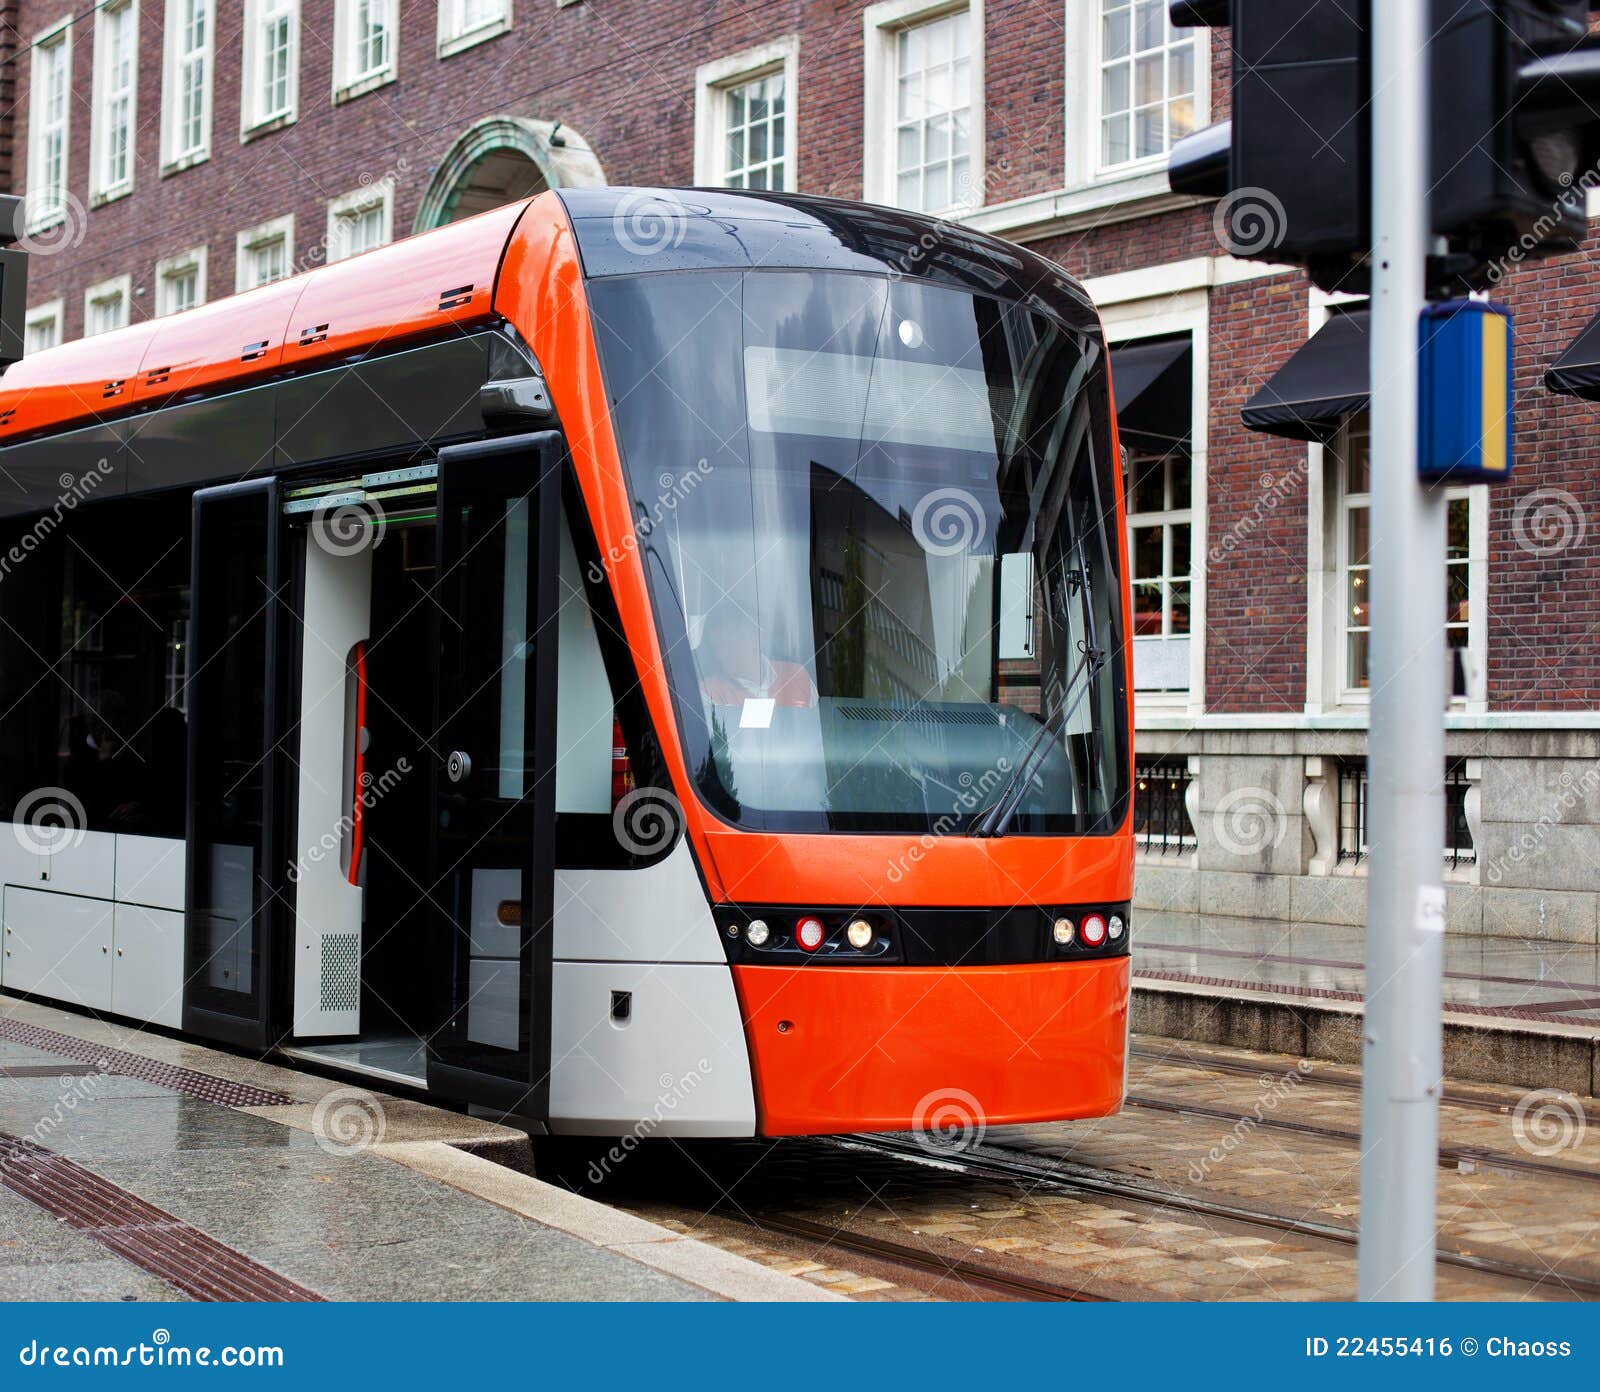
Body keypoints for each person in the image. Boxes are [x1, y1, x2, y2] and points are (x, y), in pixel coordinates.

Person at [697, 603, 816, 710]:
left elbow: (822, 725)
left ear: (756, 637)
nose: (721, 654)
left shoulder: (798, 676)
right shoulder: (709, 692)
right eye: (717, 646)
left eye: (731, 641)